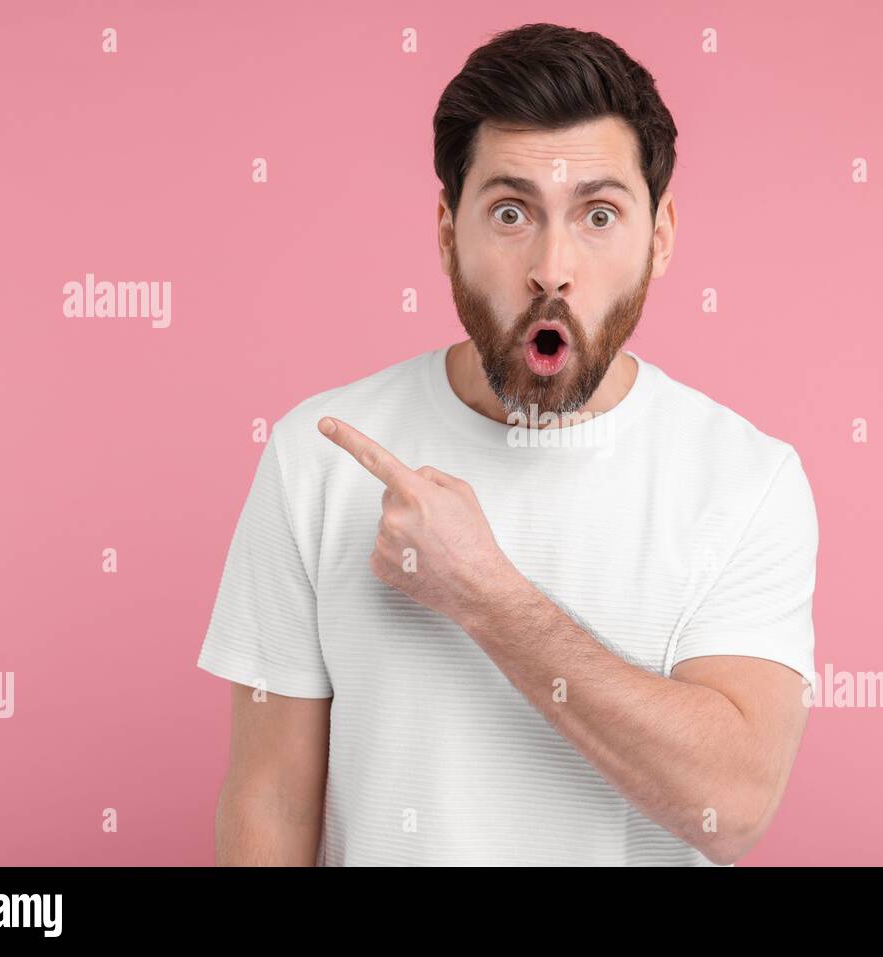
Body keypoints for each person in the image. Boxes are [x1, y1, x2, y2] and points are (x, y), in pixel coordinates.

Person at [197, 21, 819, 866]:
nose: (552, 266)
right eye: (511, 211)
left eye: (599, 214)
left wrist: (484, 593)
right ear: (449, 231)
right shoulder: (317, 457)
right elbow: (269, 801)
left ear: (660, 236)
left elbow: (733, 803)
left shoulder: (747, 481)